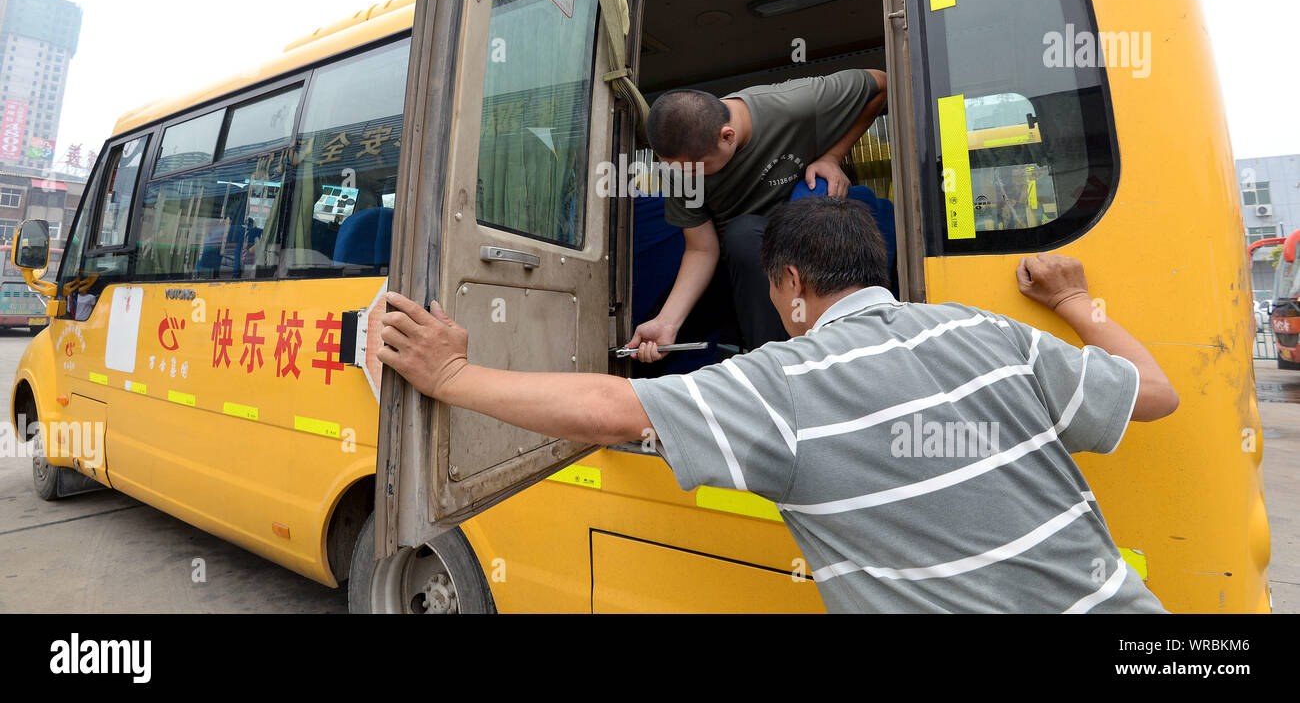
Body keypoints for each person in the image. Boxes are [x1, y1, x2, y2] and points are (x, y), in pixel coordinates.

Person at [378, 196, 1178, 613]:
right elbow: (1155, 394)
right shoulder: (992, 334)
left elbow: (613, 409)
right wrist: (1079, 305)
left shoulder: (786, 384)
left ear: (791, 285)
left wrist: (451, 379)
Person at [629, 68, 887, 359]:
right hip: (740, 265)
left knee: (743, 232)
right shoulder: (680, 168)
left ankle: (776, 366)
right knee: (653, 346)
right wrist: (667, 322)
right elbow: (702, 250)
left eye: (692, 168)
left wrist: (832, 156)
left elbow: (880, 83)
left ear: (727, 136)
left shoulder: (795, 103)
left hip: (800, 252)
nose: (683, 176)